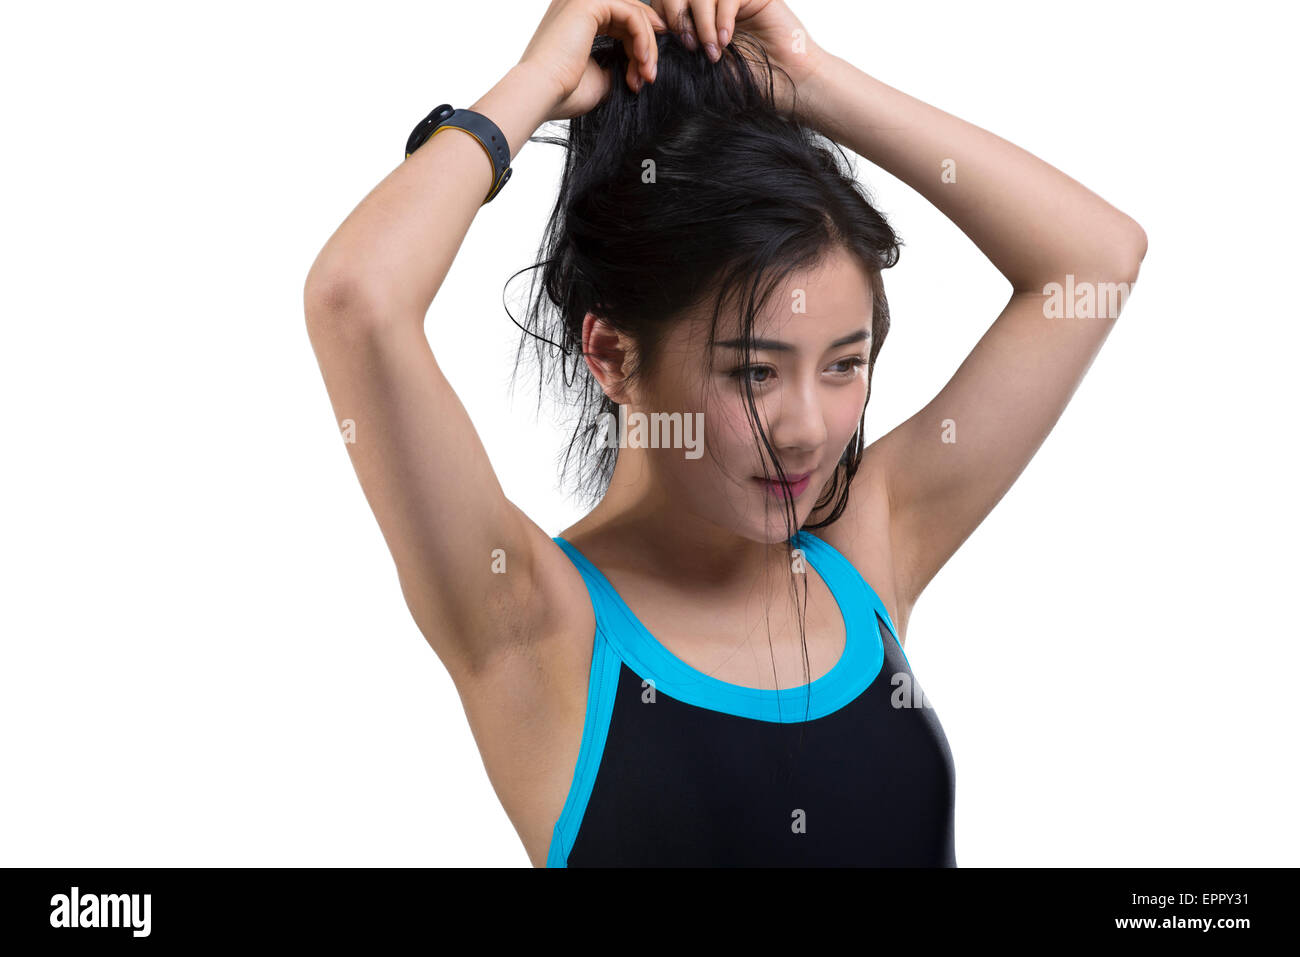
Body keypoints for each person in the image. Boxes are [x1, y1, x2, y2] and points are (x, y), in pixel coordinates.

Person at [303, 0, 1147, 867]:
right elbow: (357, 301)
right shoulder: (535, 625)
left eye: (844, 364)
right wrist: (536, 85)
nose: (808, 430)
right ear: (611, 353)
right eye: (755, 371)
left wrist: (805, 78)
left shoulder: (865, 553)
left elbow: (1095, 260)